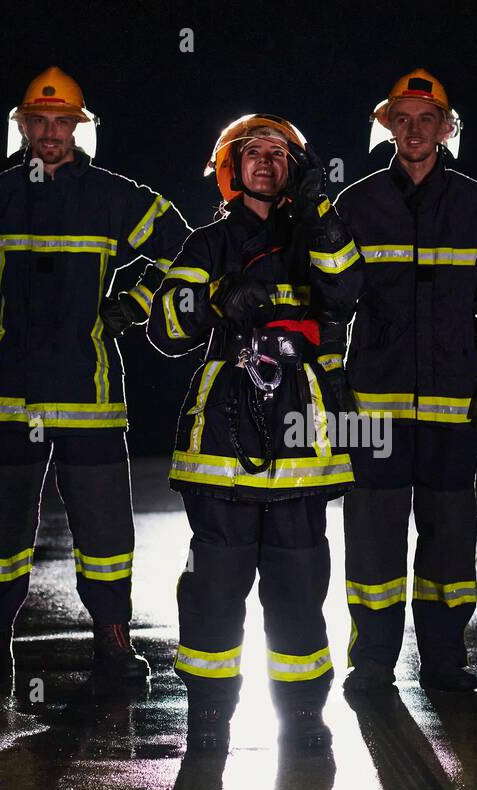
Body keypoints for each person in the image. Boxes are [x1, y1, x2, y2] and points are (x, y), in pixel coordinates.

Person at [0, 66, 191, 683]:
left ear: (79, 129)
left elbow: (183, 252)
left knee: (107, 531)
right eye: (39, 122)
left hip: (88, 399)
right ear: (24, 126)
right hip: (5, 400)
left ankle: (113, 640)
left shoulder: (115, 196)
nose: (50, 133)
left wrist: (135, 305)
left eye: (61, 123)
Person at [148, 114, 362, 750]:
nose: (265, 162)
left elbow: (345, 289)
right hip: (223, 430)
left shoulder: (318, 235)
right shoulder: (207, 242)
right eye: (253, 153)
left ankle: (302, 714)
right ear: (231, 169)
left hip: (301, 425)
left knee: (298, 582)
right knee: (215, 583)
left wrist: (319, 210)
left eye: (279, 154)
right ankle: (209, 711)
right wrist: (218, 301)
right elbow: (168, 331)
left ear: (295, 169)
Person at [336, 69, 477, 693]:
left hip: (452, 402)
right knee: (372, 538)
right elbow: (331, 298)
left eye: (426, 118)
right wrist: (333, 383)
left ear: (446, 128)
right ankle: (372, 663)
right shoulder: (357, 204)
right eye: (402, 118)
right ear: (387, 125)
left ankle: (445, 660)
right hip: (374, 405)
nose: (413, 130)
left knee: (449, 537)